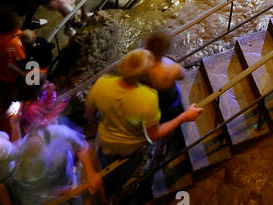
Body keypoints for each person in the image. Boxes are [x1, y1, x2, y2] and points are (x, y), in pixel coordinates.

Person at [85, 49, 202, 196]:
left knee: (108, 171)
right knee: (129, 176)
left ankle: (108, 191)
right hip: (131, 149)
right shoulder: (148, 99)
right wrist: (184, 117)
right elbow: (153, 135)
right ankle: (123, 195)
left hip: (105, 143)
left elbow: (90, 116)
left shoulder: (101, 83)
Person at [145, 29, 186, 123]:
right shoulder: (172, 68)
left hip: (150, 100)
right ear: (167, 48)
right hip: (169, 101)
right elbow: (182, 76)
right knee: (169, 118)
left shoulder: (141, 64)